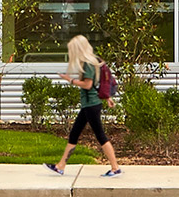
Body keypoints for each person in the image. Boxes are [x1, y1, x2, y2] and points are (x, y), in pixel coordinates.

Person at [44, 33, 123, 179]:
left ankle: (115, 167)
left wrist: (70, 80)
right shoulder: (93, 61)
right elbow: (99, 83)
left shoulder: (88, 64)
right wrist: (107, 98)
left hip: (91, 105)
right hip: (90, 105)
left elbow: (88, 85)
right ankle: (60, 166)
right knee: (74, 134)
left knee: (101, 136)